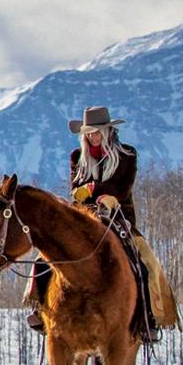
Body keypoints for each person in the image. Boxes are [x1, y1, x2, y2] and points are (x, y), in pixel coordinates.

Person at [26, 106, 170, 343]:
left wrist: (94, 188)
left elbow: (122, 190)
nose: (93, 136)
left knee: (144, 264)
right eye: (89, 133)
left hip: (118, 217)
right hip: (83, 218)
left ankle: (148, 319)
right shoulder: (77, 157)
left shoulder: (127, 155)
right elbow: (76, 190)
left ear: (108, 131)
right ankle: (41, 309)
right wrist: (86, 193)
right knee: (45, 258)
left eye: (97, 132)